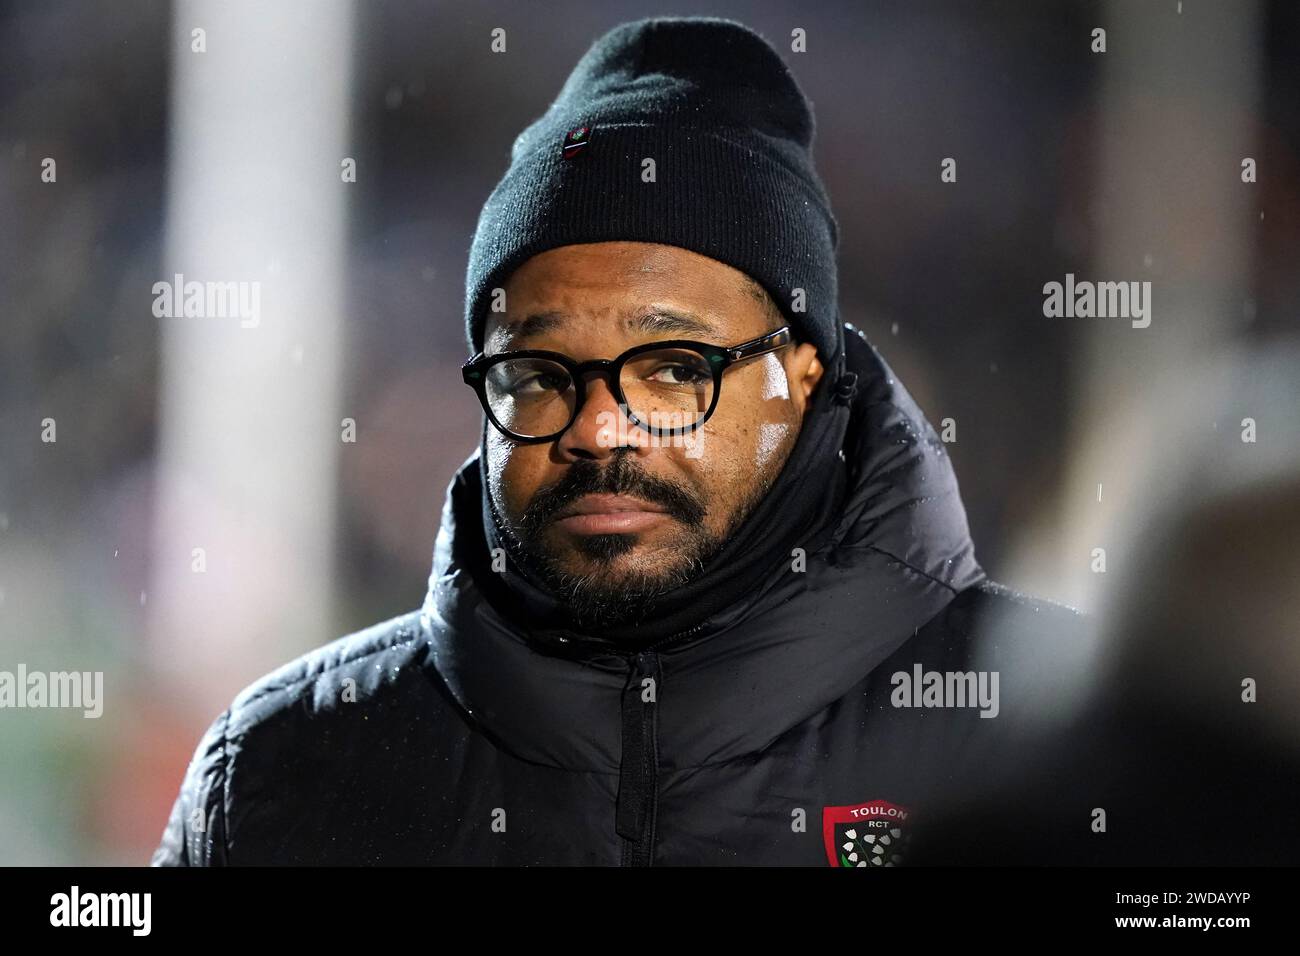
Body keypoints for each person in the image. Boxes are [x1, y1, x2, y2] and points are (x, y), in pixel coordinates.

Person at [152, 15, 1084, 867]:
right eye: (539, 376)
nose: (600, 430)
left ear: (802, 371)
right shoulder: (285, 770)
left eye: (675, 369)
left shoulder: (1063, 733)